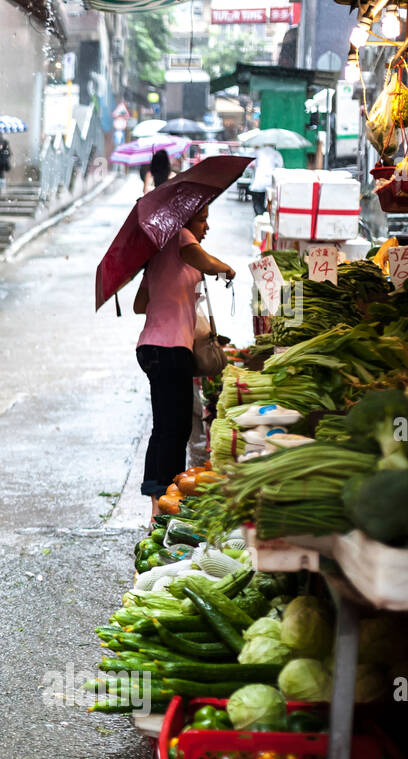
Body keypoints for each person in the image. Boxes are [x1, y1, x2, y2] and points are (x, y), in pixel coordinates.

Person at [132, 202, 235, 514]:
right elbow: (198, 256)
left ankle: (157, 497)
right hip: (170, 349)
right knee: (175, 427)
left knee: (165, 425)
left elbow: (140, 304)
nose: (206, 227)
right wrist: (225, 268)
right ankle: (168, 497)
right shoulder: (178, 238)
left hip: (151, 348)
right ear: (187, 222)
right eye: (202, 220)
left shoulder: (160, 256)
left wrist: (175, 292)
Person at [249, 144, 282, 216]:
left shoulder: (257, 152)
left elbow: (251, 164)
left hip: (258, 183)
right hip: (271, 184)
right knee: (270, 205)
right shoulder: (276, 154)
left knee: (258, 204)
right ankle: (266, 218)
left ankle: (260, 219)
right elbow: (280, 167)